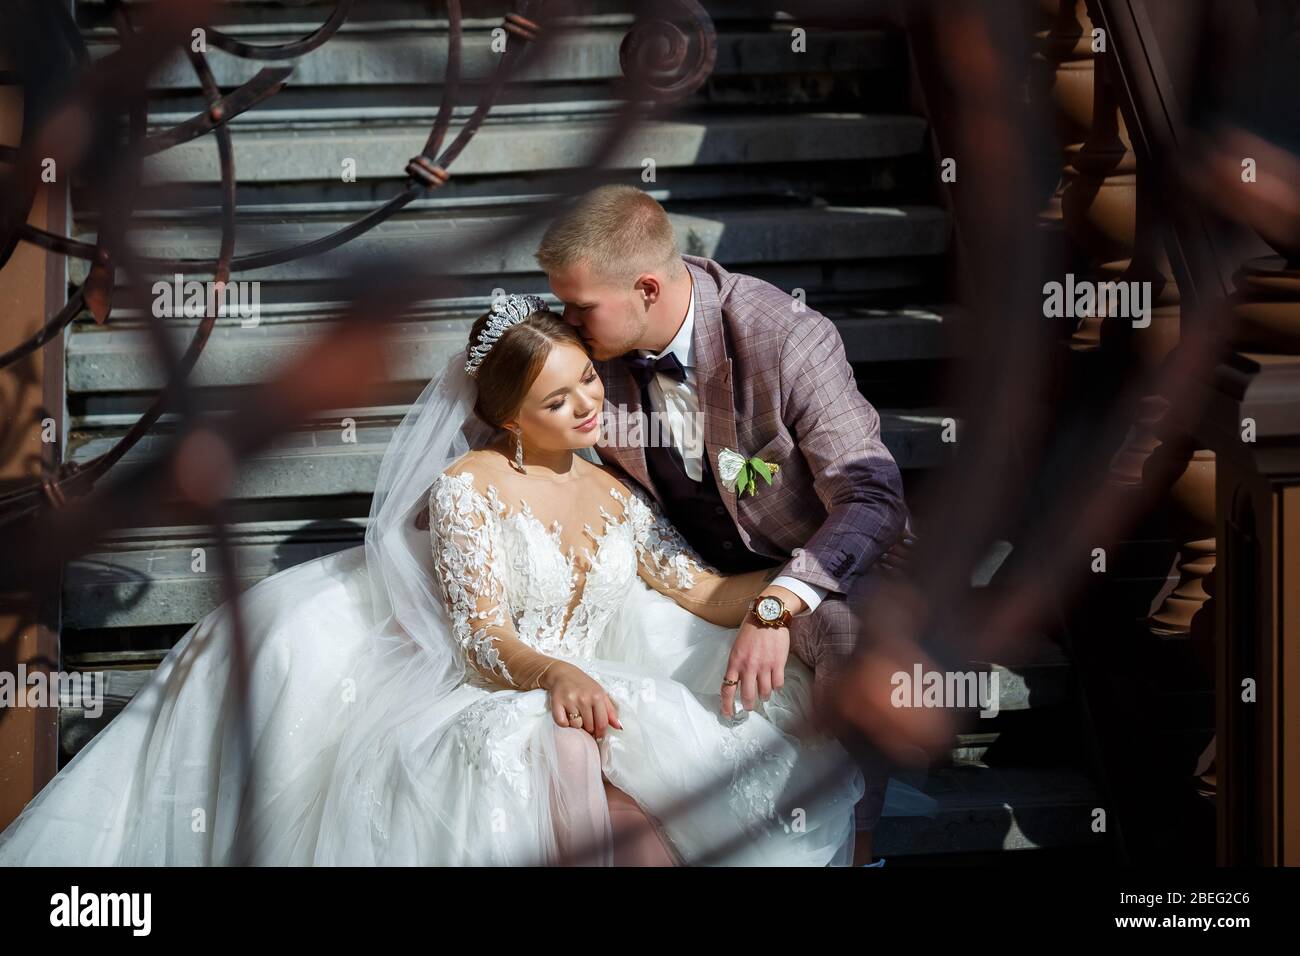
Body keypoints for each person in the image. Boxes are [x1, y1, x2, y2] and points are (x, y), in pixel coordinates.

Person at [0, 296, 883, 866]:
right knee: (601, 794)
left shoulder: (612, 490)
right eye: (558, 401)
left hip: (593, 688)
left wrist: (780, 596)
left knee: (658, 806)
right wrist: (554, 675)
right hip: (499, 688)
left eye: (586, 382)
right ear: (505, 417)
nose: (586, 407)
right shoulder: (469, 490)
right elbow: (481, 636)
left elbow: (696, 590)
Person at [538, 185, 918, 864]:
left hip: (818, 565)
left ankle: (860, 848)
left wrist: (780, 601)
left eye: (580, 304)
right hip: (682, 568)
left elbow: (873, 497)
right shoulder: (590, 344)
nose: (566, 319)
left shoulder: (784, 336)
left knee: (851, 636)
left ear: (647, 288)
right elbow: (510, 389)